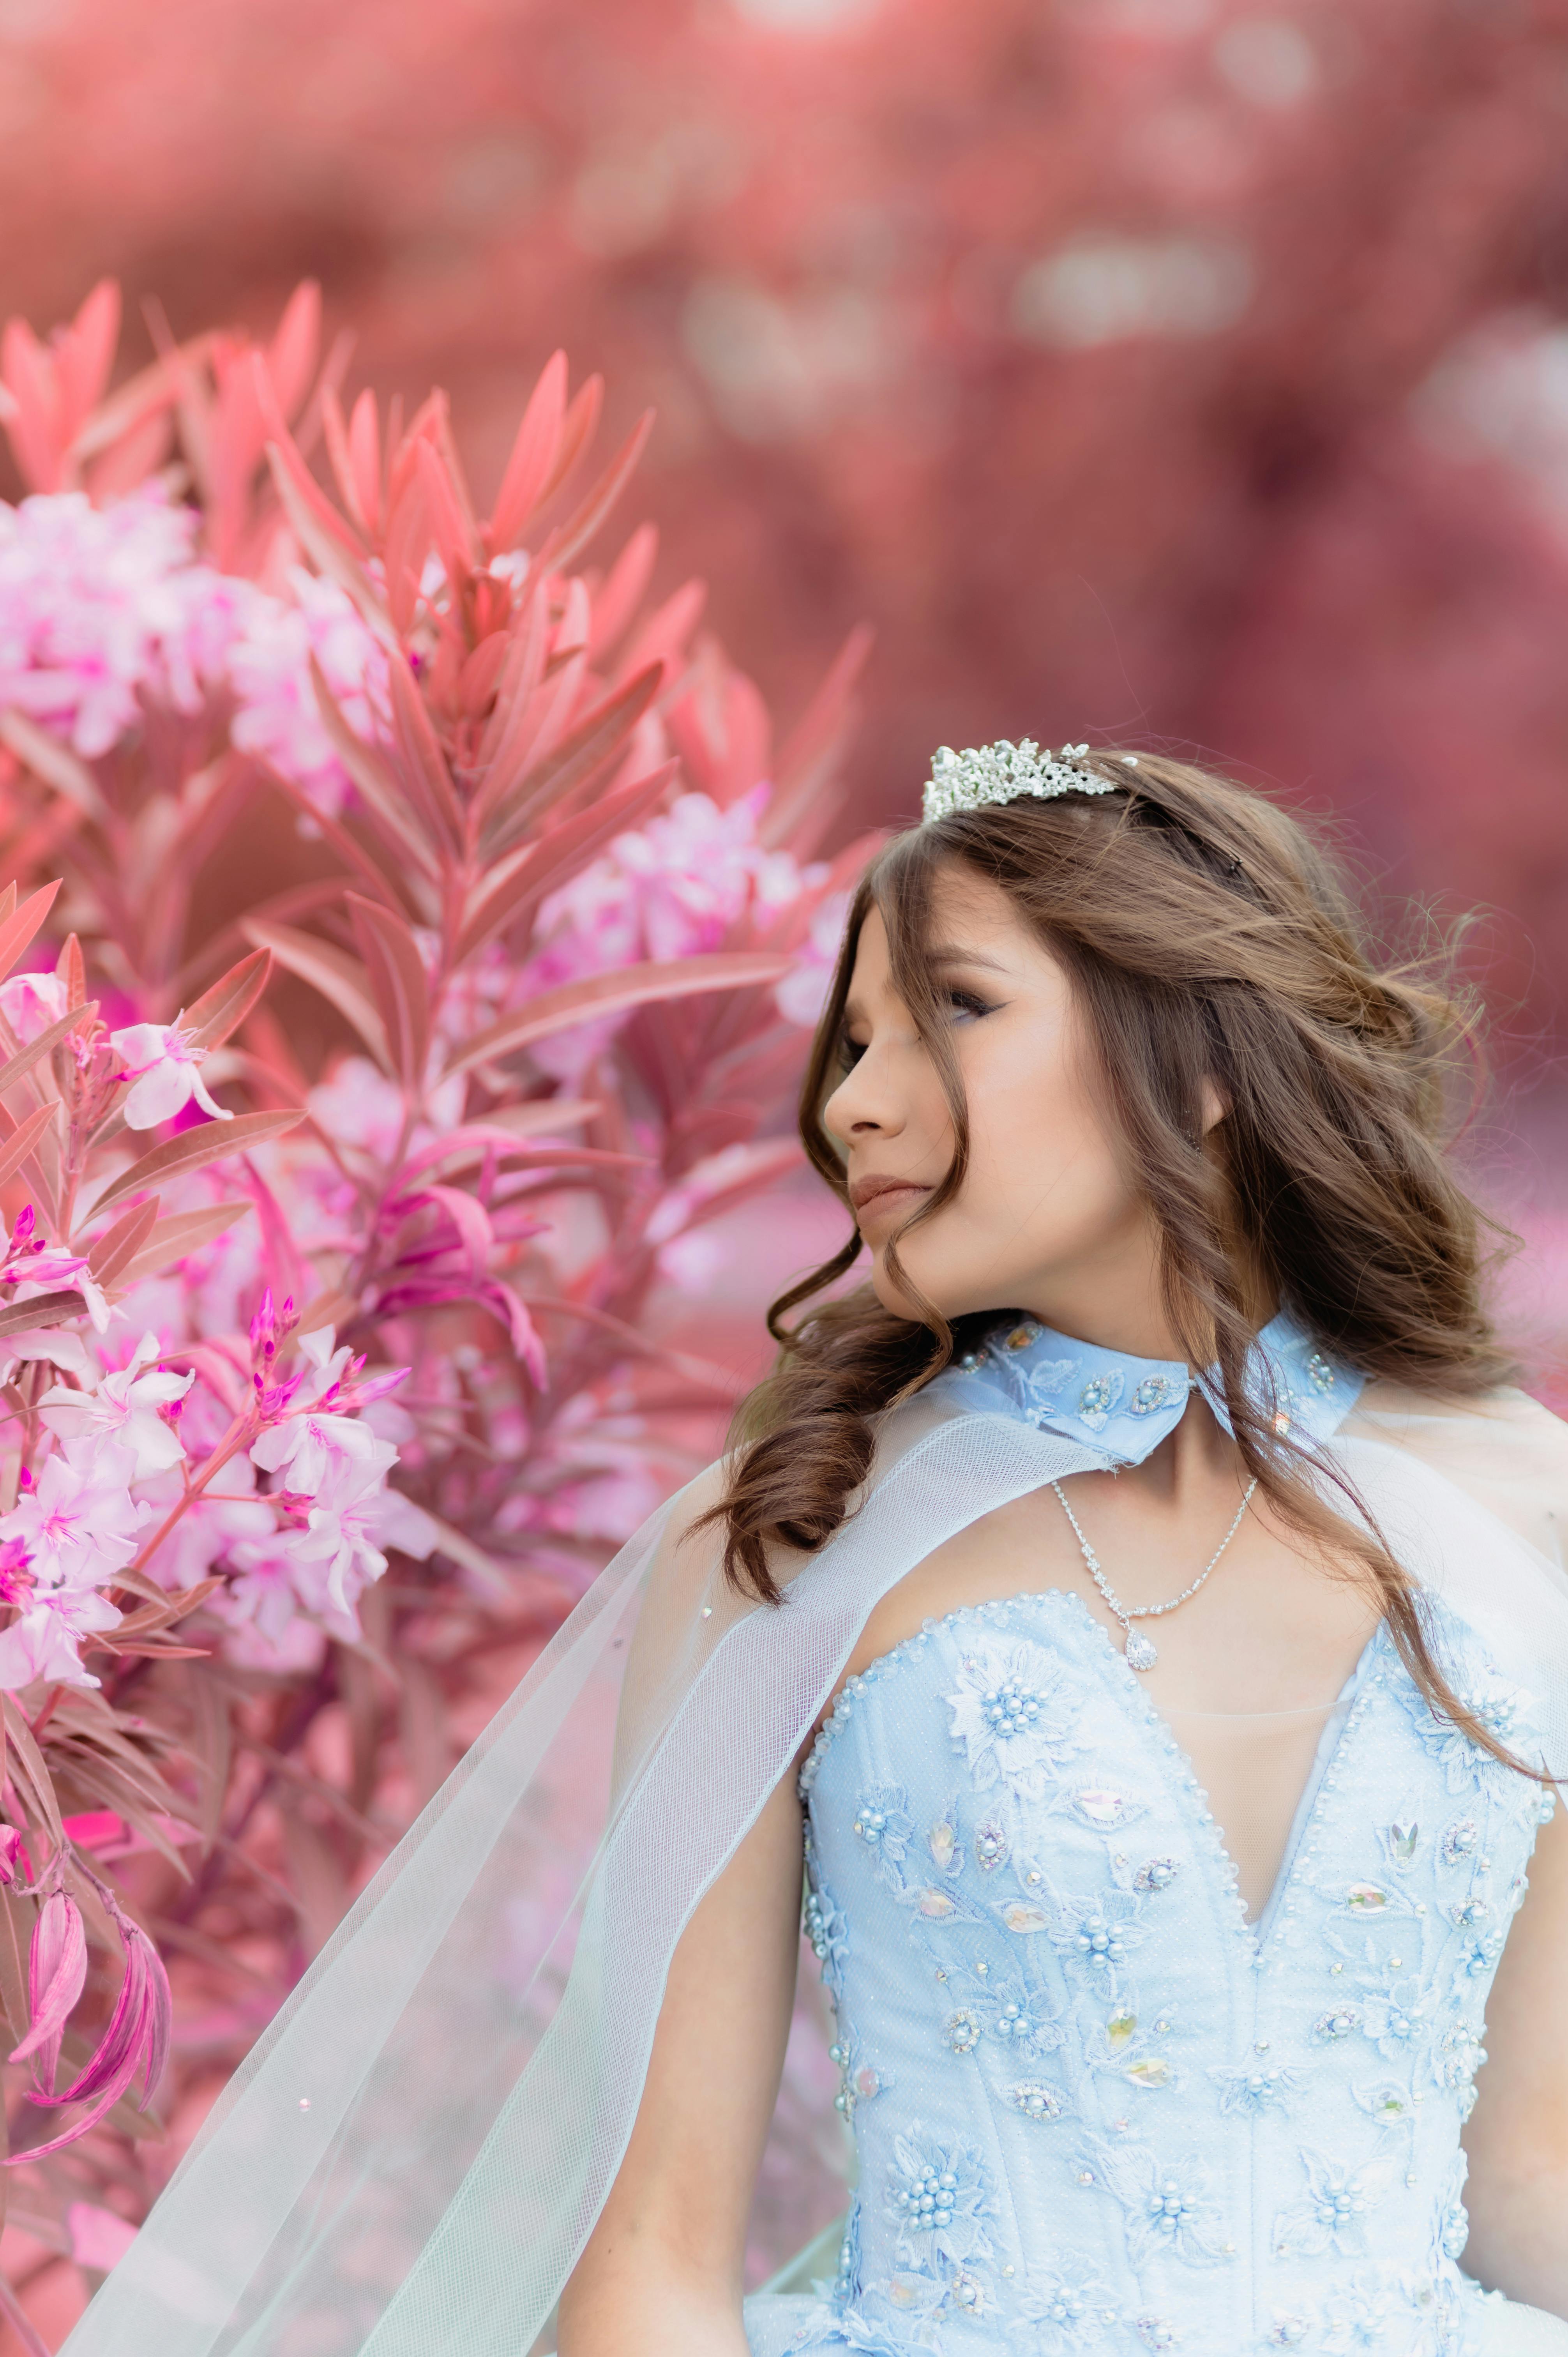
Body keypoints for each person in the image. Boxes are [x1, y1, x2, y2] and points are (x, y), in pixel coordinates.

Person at [61, 745, 1568, 2357]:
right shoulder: (799, 1527)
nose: (854, 1101)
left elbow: (1523, 2174)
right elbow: (648, 2250)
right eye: (853, 1043)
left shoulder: (1525, 1505)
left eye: (956, 1009)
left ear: (1200, 1057)